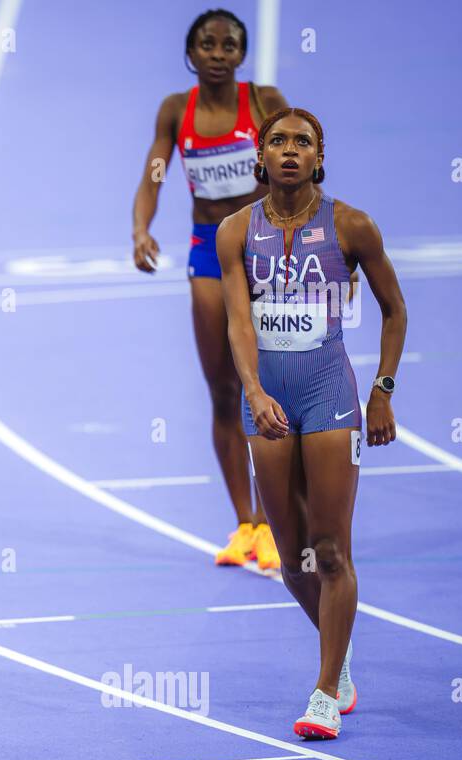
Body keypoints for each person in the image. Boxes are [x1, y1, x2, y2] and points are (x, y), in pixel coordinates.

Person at [216, 108, 406, 739]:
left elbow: (394, 310)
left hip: (329, 397)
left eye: (303, 142)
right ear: (261, 155)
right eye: (278, 141)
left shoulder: (351, 226)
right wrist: (253, 390)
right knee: (294, 559)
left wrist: (382, 391)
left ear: (319, 157)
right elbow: (239, 323)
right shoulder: (235, 232)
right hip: (267, 401)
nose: (290, 150)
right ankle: (338, 650)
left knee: (329, 549)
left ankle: (325, 692)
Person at [132, 8, 288, 569]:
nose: (218, 54)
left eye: (228, 45)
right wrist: (141, 227)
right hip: (208, 251)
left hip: (265, 250)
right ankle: (246, 525)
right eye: (207, 44)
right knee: (223, 389)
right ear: (190, 53)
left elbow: (299, 166)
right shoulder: (177, 111)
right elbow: (154, 174)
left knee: (268, 386)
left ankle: (276, 521)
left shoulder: (263, 102)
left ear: (241, 55)